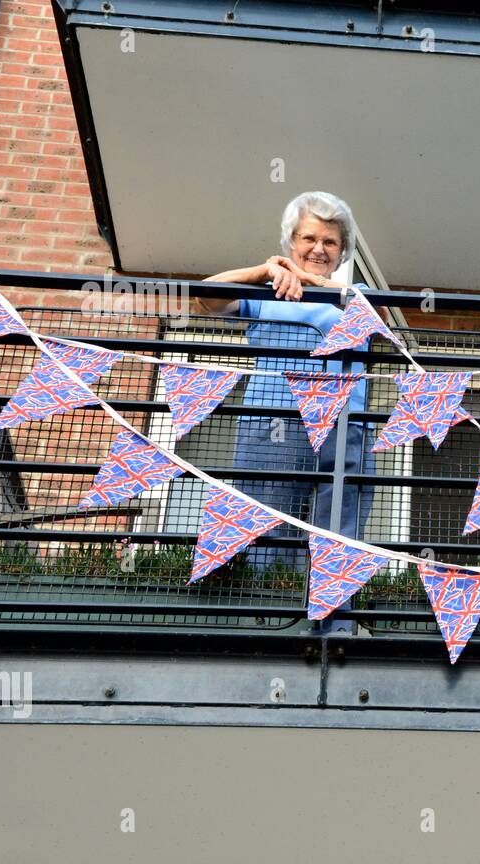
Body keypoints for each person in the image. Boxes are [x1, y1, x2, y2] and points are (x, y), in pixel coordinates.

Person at [195, 191, 375, 635]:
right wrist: (264, 270)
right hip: (273, 421)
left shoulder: (355, 295)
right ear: (291, 242)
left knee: (339, 528)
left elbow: (383, 318)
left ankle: (334, 628)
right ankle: (268, 626)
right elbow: (204, 297)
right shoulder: (267, 290)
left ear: (341, 251)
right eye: (308, 238)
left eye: (330, 242)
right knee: (269, 523)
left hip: (344, 422)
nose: (318, 249)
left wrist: (319, 286)